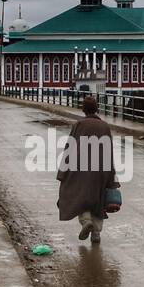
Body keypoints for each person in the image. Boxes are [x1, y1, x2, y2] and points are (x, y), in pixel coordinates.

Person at [56, 95, 119, 243]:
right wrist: (111, 176)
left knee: (79, 197)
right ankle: (96, 233)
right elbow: (109, 151)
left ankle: (86, 222)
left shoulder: (79, 125)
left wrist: (63, 172)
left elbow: (69, 148)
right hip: (101, 170)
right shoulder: (104, 126)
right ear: (97, 109)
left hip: (81, 169)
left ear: (83, 110)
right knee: (98, 200)